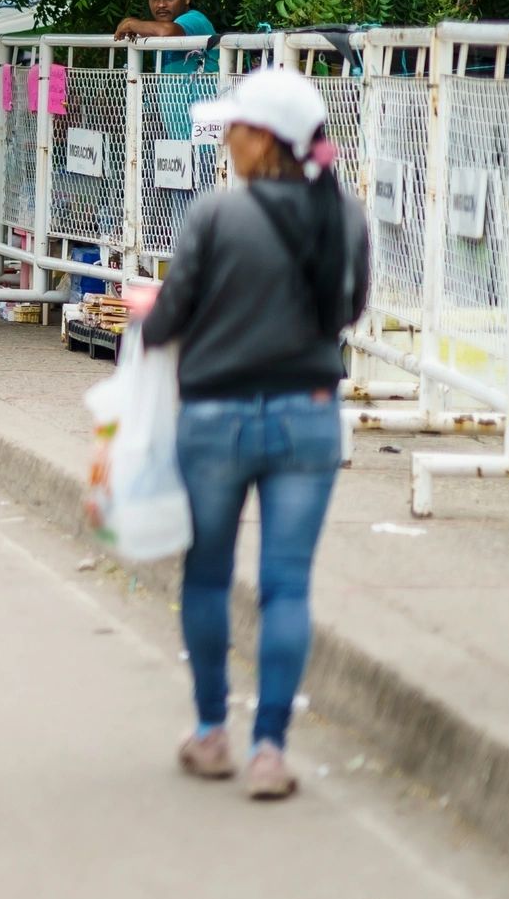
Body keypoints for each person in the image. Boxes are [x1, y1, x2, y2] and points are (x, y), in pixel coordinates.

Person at [136, 66, 366, 802]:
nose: (225, 137)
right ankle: (270, 748)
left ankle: (212, 732)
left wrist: (149, 308)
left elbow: (168, 321)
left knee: (206, 572)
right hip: (308, 413)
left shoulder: (214, 215)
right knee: (287, 584)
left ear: (263, 138)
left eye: (235, 126)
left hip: (214, 416)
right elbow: (348, 310)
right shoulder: (345, 217)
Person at [114, 0, 217, 64]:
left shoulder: (194, 19)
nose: (161, 4)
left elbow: (167, 31)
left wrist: (130, 24)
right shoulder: (156, 30)